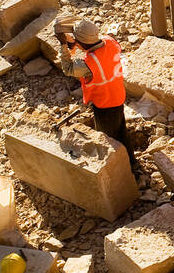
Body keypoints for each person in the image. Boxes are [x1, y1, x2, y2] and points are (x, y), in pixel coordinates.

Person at [56, 17, 137, 170]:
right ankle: (132, 162)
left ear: (81, 43)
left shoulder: (89, 64)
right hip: (118, 95)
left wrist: (64, 46)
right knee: (121, 131)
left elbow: (68, 68)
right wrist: (77, 44)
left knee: (107, 139)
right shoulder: (110, 41)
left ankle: (122, 170)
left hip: (105, 104)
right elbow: (95, 48)